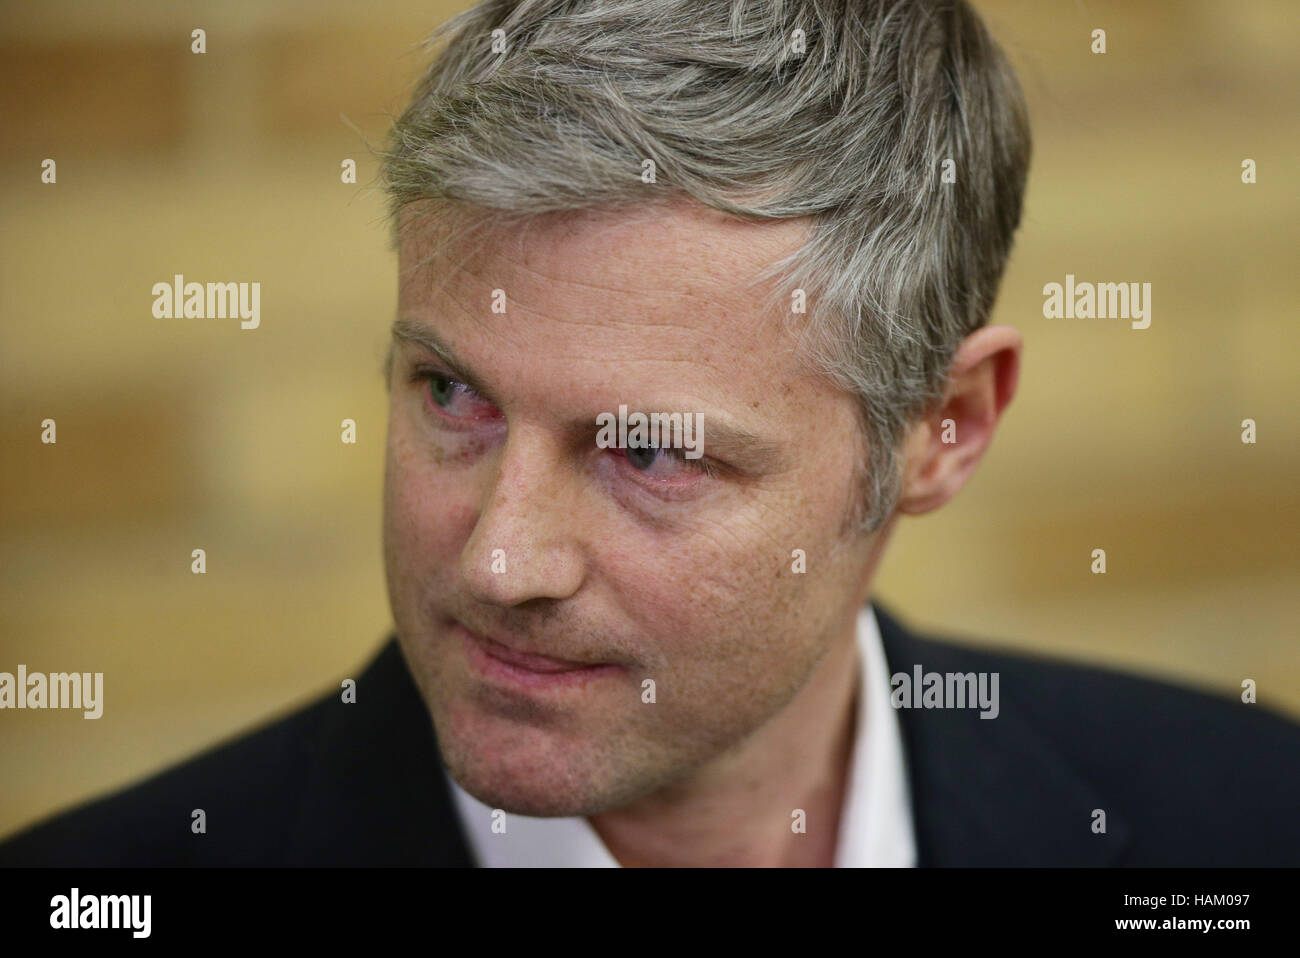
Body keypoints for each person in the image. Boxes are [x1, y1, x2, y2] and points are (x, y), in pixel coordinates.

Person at [2, 0, 1297, 868]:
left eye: (652, 452)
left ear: (942, 429)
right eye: (453, 396)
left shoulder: (1238, 823)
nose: (500, 561)